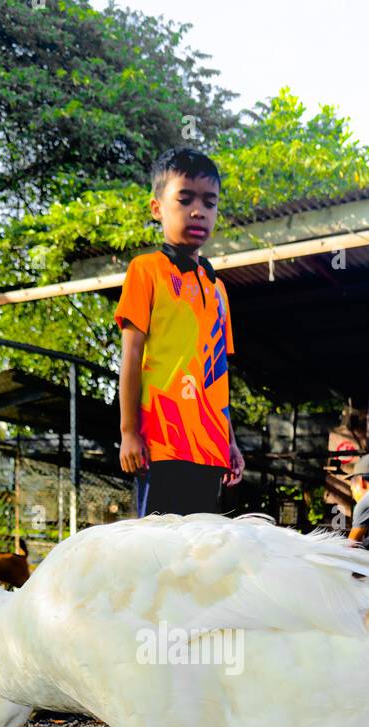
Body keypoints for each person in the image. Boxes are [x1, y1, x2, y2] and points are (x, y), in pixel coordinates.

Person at [115, 147, 244, 516]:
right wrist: (128, 432)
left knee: (200, 558)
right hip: (160, 445)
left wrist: (229, 442)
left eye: (210, 202)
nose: (198, 211)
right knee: (157, 554)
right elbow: (132, 355)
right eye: (184, 199)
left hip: (208, 448)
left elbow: (218, 373)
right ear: (157, 208)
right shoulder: (146, 270)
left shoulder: (218, 289)